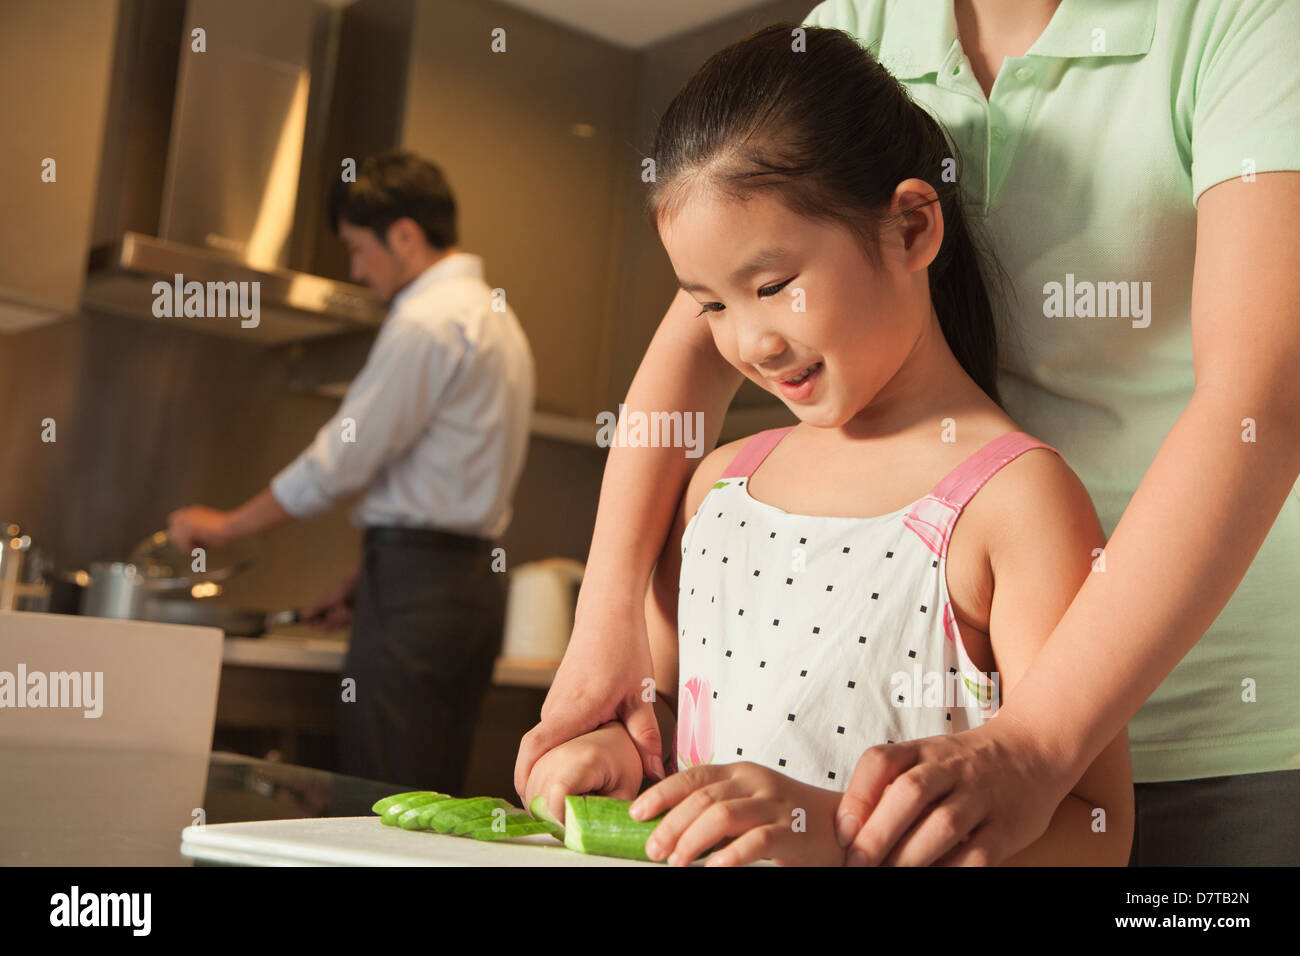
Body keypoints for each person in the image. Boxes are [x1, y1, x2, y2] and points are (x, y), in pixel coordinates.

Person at [517, 0, 1300, 866]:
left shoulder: (1241, 18)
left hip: (1223, 709)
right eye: (716, 306)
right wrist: (606, 637)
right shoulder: (861, 22)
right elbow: (710, 305)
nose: (747, 339)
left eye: (774, 289)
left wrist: (1034, 746)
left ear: (916, 226)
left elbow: (1262, 397)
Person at [170, 150, 536, 794]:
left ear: (404, 235)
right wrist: (364, 576)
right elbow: (442, 488)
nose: (357, 269)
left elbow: (341, 460)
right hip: (462, 586)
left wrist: (226, 526)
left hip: (417, 594)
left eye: (358, 248)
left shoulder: (427, 319)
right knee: (428, 799)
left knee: (382, 798)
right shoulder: (497, 318)